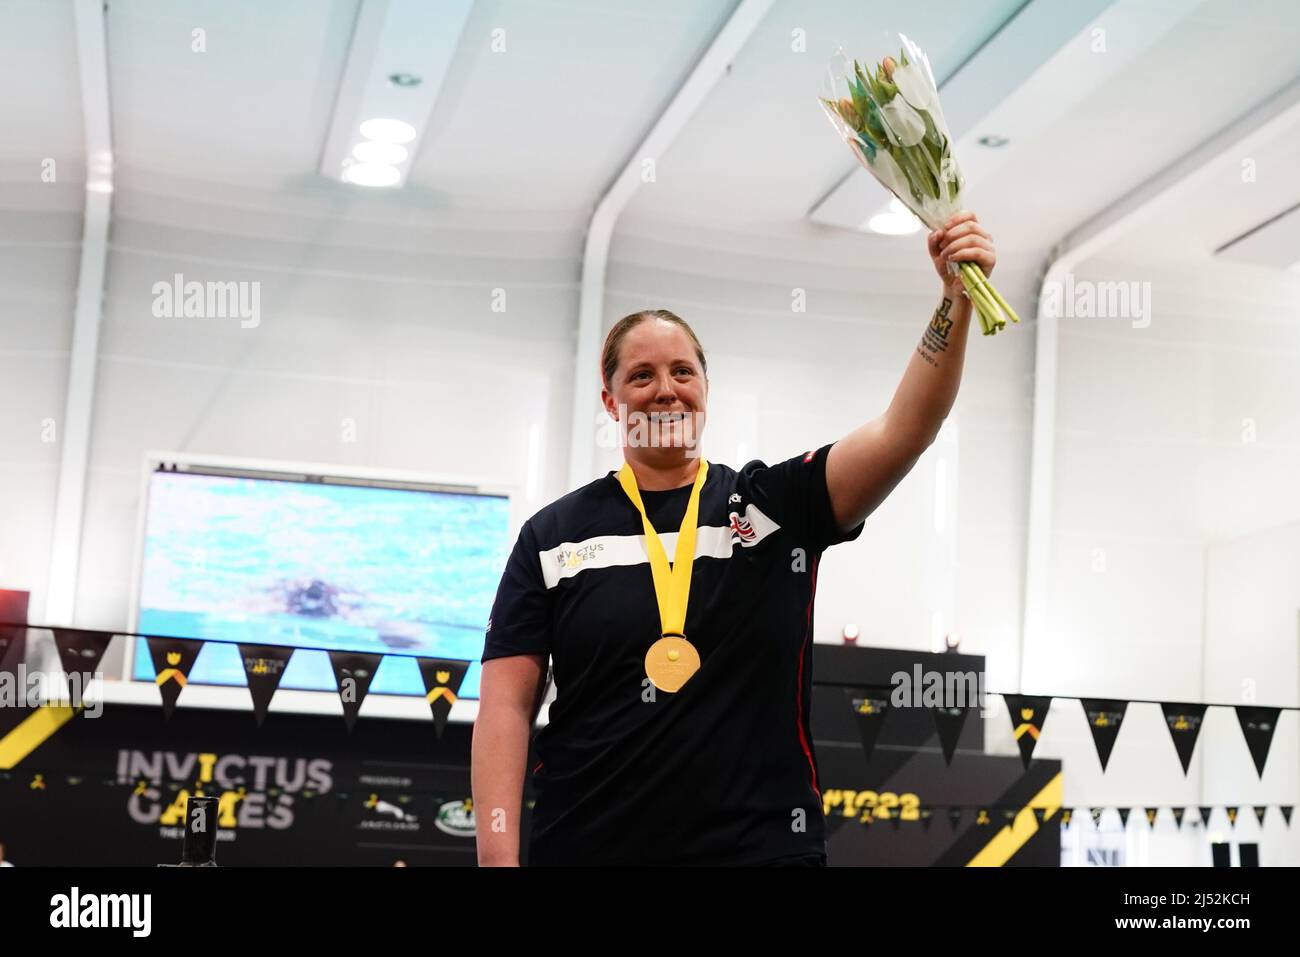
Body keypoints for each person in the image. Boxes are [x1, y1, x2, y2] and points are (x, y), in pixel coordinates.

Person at [472, 212, 997, 866]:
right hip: (588, 846)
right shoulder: (552, 537)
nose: (665, 389)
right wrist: (497, 858)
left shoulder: (773, 509)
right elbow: (505, 708)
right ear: (610, 401)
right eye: (641, 376)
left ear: (705, 389)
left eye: (682, 371)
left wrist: (956, 298)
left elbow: (904, 430)